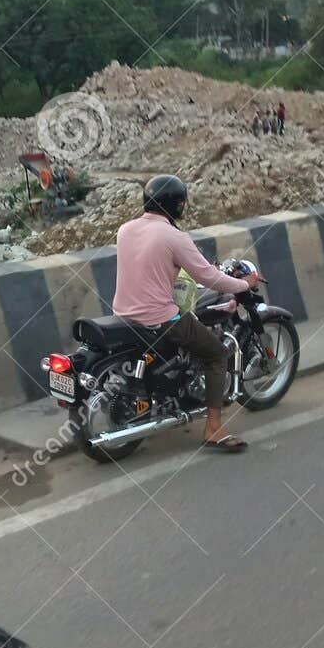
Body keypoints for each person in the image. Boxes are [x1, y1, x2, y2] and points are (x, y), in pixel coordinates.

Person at [113, 175, 262, 453]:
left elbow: (151, 263)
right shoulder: (173, 236)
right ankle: (214, 428)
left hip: (124, 313)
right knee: (216, 353)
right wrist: (245, 284)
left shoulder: (125, 229)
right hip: (159, 318)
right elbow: (210, 278)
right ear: (177, 205)